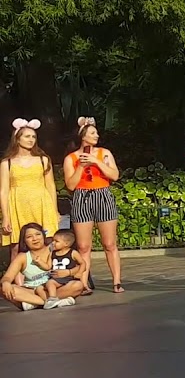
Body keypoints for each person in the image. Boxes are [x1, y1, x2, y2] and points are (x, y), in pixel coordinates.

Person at [62, 116, 122, 293]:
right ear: (83, 136)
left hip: (103, 194)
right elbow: (71, 185)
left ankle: (117, 281)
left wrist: (96, 162)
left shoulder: (105, 153)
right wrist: (81, 166)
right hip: (82, 196)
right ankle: (83, 283)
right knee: (83, 246)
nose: (97, 136)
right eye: (93, 133)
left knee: (110, 243)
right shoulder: (71, 158)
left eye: (96, 133)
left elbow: (114, 175)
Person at [0, 119, 60, 262]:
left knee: (46, 242)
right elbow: (3, 190)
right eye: (27, 136)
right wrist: (6, 216)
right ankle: (17, 282)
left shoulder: (43, 160)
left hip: (41, 204)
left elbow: (51, 186)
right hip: (17, 205)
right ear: (17, 138)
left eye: (33, 137)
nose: (31, 140)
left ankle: (46, 279)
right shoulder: (7, 163)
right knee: (16, 246)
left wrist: (54, 210)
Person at [1, 223, 75, 310]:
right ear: (24, 241)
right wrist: (6, 283)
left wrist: (69, 272)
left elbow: (79, 265)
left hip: (54, 289)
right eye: (29, 237)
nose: (35, 239)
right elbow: (7, 277)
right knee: (5, 289)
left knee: (77, 285)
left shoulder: (54, 248)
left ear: (43, 236)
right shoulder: (22, 256)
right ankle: (51, 302)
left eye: (38, 234)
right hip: (32, 291)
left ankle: (35, 303)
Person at [48, 229, 89, 299]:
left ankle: (52, 298)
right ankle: (53, 298)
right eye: (53, 240)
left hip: (69, 278)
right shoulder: (52, 253)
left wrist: (79, 273)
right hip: (56, 278)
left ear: (66, 243)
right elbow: (48, 266)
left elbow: (83, 263)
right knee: (49, 283)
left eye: (56, 241)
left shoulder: (73, 253)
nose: (53, 243)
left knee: (76, 285)